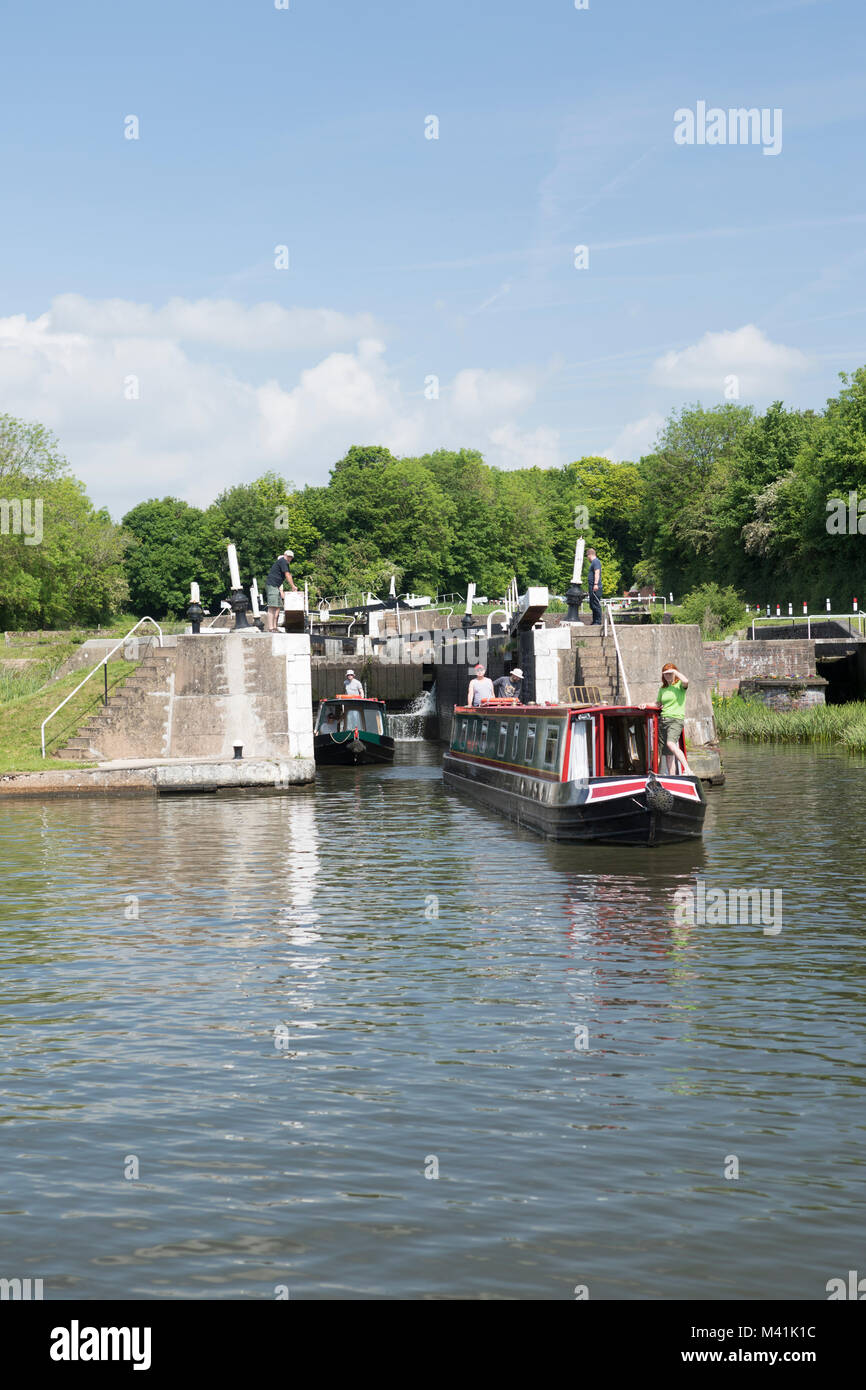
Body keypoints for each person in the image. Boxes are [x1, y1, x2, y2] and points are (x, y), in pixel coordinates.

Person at [656, 662, 692, 775]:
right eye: (665, 674)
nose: (667, 676)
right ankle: (672, 776)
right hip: (663, 720)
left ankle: (687, 769)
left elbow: (686, 681)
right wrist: (643, 705)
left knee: (671, 744)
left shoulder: (680, 686)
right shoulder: (663, 689)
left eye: (669, 674)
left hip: (675, 720)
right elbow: (657, 703)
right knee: (667, 753)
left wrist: (675, 671)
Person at [265, 549, 298, 633]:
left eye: (291, 557)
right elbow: (287, 575)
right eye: (288, 556)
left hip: (276, 586)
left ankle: (275, 627)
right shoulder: (283, 561)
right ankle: (271, 628)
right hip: (272, 585)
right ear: (284, 555)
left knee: (277, 606)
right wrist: (293, 586)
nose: (290, 558)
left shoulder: (285, 563)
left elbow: (287, 574)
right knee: (272, 606)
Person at [587, 547, 602, 625]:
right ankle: (594, 621)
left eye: (587, 556)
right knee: (592, 604)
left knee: (596, 604)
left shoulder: (596, 562)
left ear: (589, 555)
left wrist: (596, 584)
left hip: (595, 586)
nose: (587, 559)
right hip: (592, 586)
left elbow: (597, 572)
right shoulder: (594, 562)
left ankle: (598, 621)